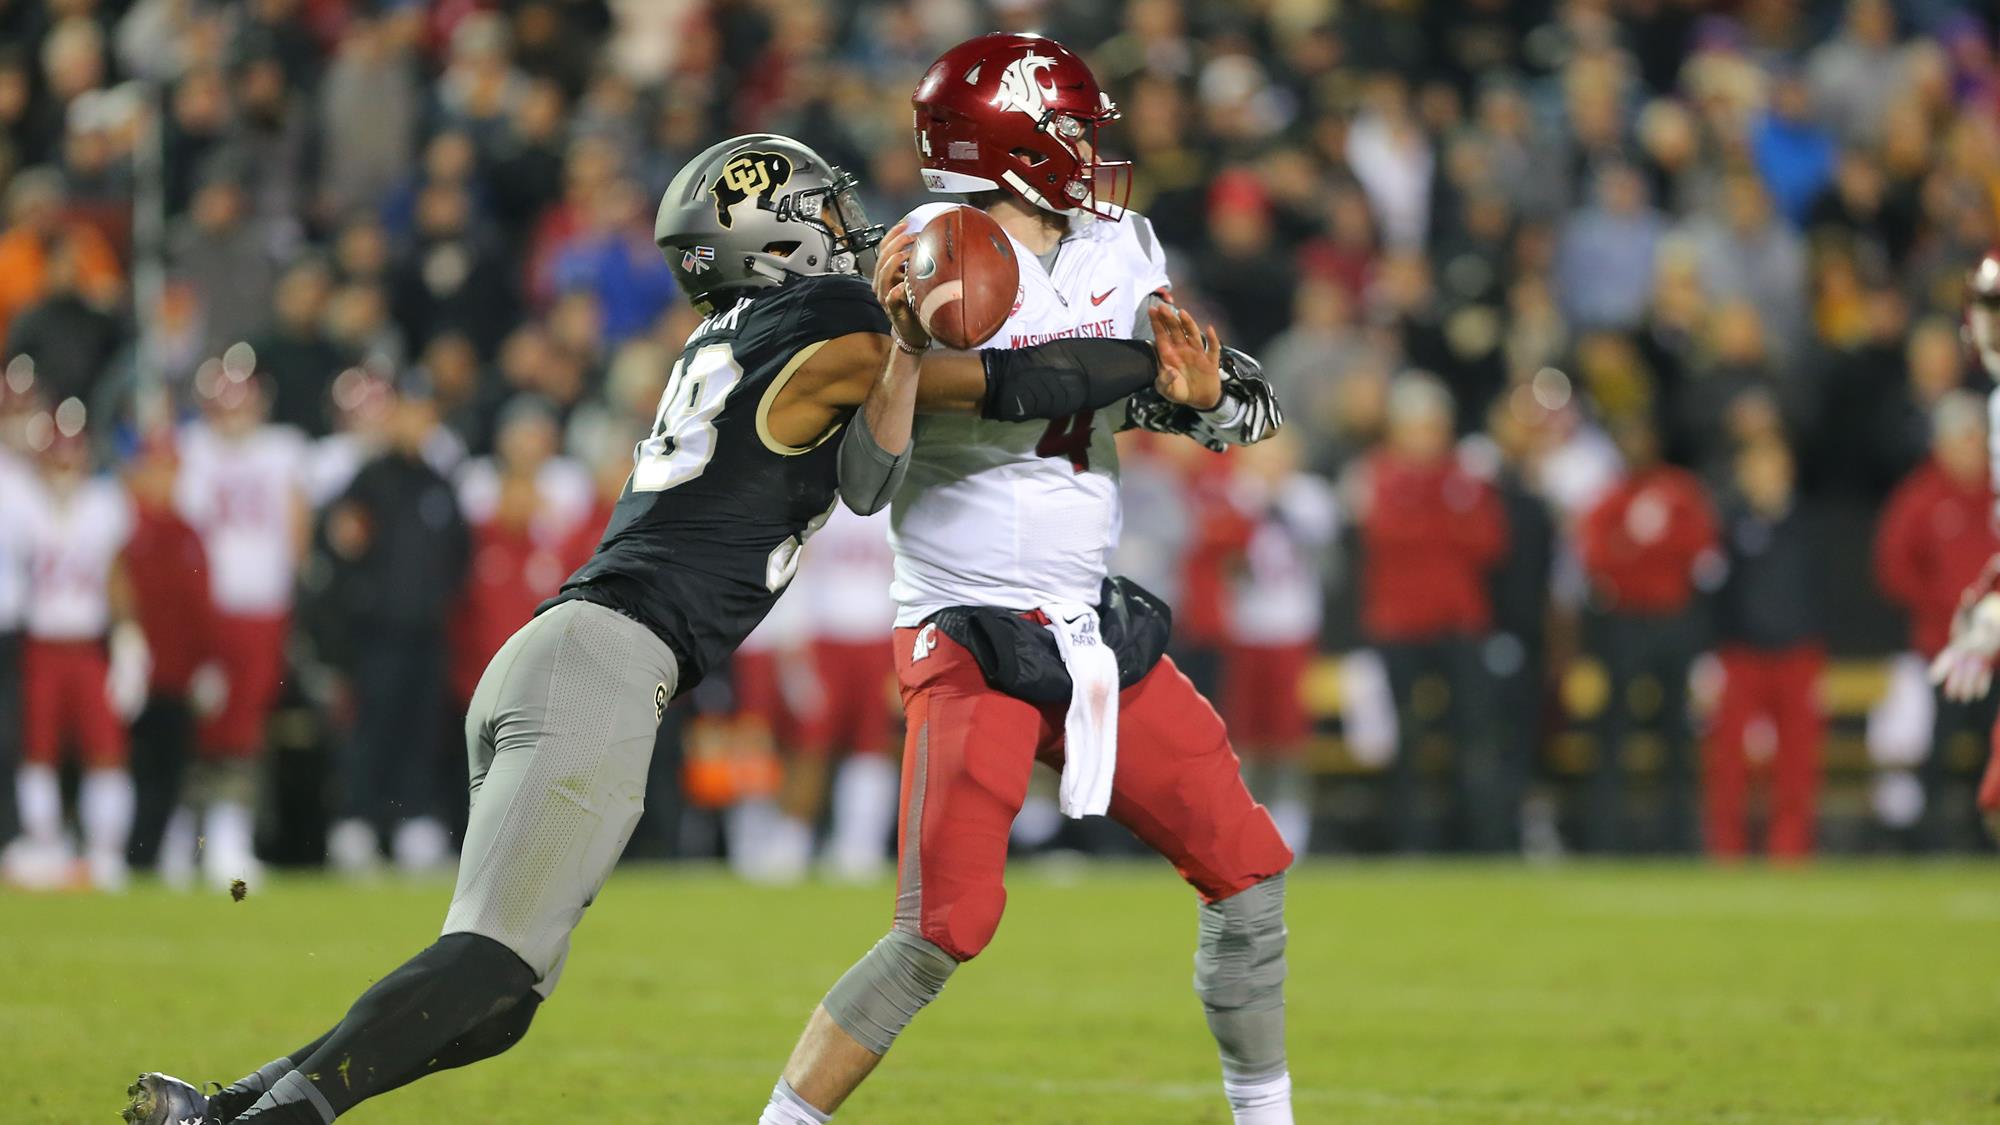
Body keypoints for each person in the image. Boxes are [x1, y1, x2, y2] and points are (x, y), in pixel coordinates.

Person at [124, 132, 1224, 1125]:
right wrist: (1154, 367)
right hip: (604, 662)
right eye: (823, 210)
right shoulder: (822, 323)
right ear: (775, 231)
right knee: (489, 969)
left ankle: (225, 1110)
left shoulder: (760, 338)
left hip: (574, 659)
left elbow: (867, 482)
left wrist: (902, 351)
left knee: (494, 1003)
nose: (851, 229)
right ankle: (251, 1124)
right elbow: (1009, 383)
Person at [761, 37, 1293, 1125]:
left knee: (1248, 878)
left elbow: (1243, 410)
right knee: (934, 933)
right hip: (966, 632)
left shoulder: (1118, 247)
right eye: (1071, 133)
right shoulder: (916, 259)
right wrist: (906, 357)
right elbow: (864, 485)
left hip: (1090, 624)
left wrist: (1191, 399)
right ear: (1015, 144)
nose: (1090, 153)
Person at [169, 362, 311, 889]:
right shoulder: (192, 449)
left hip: (261, 605)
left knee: (246, 725)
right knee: (197, 721)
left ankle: (226, 836)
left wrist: (294, 589)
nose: (233, 412)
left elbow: (297, 524)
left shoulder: (281, 450)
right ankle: (183, 833)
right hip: (204, 608)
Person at [1355, 373, 1508, 853]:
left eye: (1434, 426)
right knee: (1405, 740)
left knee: (1474, 735)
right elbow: (1385, 534)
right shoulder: (1379, 473)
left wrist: (1429, 523)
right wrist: (1444, 524)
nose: (1428, 437)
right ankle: (1409, 842)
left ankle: (1480, 841)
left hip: (1459, 623)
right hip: (1398, 624)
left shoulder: (1465, 475)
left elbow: (1491, 541)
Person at [1, 409, 146, 891]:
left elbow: (116, 574)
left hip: (87, 644)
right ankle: (45, 844)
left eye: (71, 454)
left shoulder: (104, 504)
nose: (64, 464)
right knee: (37, 750)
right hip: (39, 643)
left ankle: (105, 851)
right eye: (55, 455)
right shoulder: (21, 502)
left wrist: (128, 638)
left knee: (105, 746)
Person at [1576, 416, 1718, 854]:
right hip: (1625, 622)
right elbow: (1597, 557)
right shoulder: (1609, 498)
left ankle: (1677, 838)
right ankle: (1606, 836)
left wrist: (1634, 553)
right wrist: (1641, 559)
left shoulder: (1680, 491)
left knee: (1677, 733)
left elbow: (1697, 548)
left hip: (1673, 621)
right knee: (1613, 731)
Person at [1873, 391, 1999, 849]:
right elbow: (1894, 568)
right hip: (1943, 648)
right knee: (1938, 747)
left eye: (1975, 438)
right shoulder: (1921, 496)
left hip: (1996, 652)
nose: (1970, 447)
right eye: (1961, 438)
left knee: (1995, 750)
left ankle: (1987, 841)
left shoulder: (1995, 492)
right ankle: (1931, 838)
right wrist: (1945, 613)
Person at [1706, 439, 1824, 859]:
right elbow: (1714, 593)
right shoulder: (1728, 525)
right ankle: (1727, 848)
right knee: (1729, 760)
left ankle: (1789, 847)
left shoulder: (1807, 523)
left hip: (1795, 654)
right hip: (1742, 655)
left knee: (1797, 759)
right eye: (1755, 467)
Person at [1222, 433, 1338, 855]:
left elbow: (1323, 554)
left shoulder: (1309, 496)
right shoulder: (1235, 493)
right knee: (1244, 733)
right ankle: (1243, 818)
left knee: (1290, 734)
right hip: (1244, 626)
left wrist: (1276, 509)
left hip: (1293, 626)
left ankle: (1291, 822)